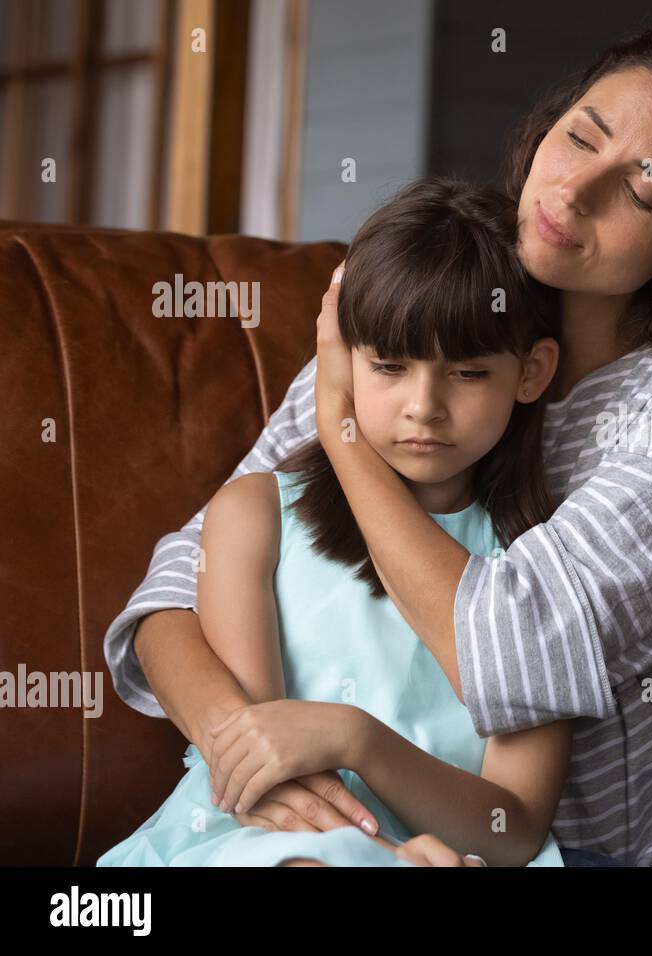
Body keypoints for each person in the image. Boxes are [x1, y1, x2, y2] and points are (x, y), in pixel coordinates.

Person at [103, 12, 652, 866]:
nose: (572, 193)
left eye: (641, 194)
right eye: (580, 138)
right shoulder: (423, 314)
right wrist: (247, 751)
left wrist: (345, 434)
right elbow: (182, 578)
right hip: (426, 836)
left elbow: (517, 650)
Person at [99, 178, 567, 867]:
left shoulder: (541, 566)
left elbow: (515, 827)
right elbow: (256, 771)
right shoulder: (255, 516)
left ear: (531, 373)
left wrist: (362, 741)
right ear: (339, 360)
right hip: (254, 842)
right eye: (387, 366)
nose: (423, 406)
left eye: (466, 373)